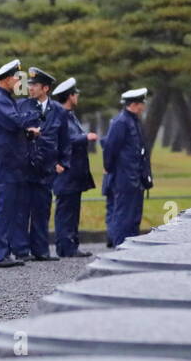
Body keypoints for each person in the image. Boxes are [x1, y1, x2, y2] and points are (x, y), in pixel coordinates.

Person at [0, 59, 40, 268]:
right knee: (2, 211)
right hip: (3, 167)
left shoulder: (5, 99)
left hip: (9, 166)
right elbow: (16, 121)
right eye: (16, 77)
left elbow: (13, 129)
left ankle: (0, 252)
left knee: (7, 211)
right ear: (6, 79)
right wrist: (35, 112)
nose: (18, 81)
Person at [19, 67, 65, 261]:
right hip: (26, 165)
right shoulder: (22, 106)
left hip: (47, 166)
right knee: (22, 210)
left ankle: (41, 249)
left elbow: (65, 139)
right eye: (29, 84)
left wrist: (63, 162)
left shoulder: (58, 110)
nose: (30, 88)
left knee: (42, 209)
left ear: (45, 88)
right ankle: (21, 250)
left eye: (35, 85)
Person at [51, 77, 97, 258]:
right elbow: (65, 140)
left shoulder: (69, 116)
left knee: (72, 210)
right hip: (66, 173)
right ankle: (66, 246)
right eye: (75, 94)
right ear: (70, 96)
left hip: (74, 173)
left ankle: (71, 244)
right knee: (66, 211)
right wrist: (85, 138)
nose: (77, 97)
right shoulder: (60, 117)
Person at [102, 88, 153, 248]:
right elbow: (111, 148)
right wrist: (110, 169)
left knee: (134, 215)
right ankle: (121, 245)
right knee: (123, 215)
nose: (143, 106)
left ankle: (131, 243)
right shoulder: (121, 122)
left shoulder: (133, 120)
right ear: (134, 104)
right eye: (141, 103)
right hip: (124, 177)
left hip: (135, 177)